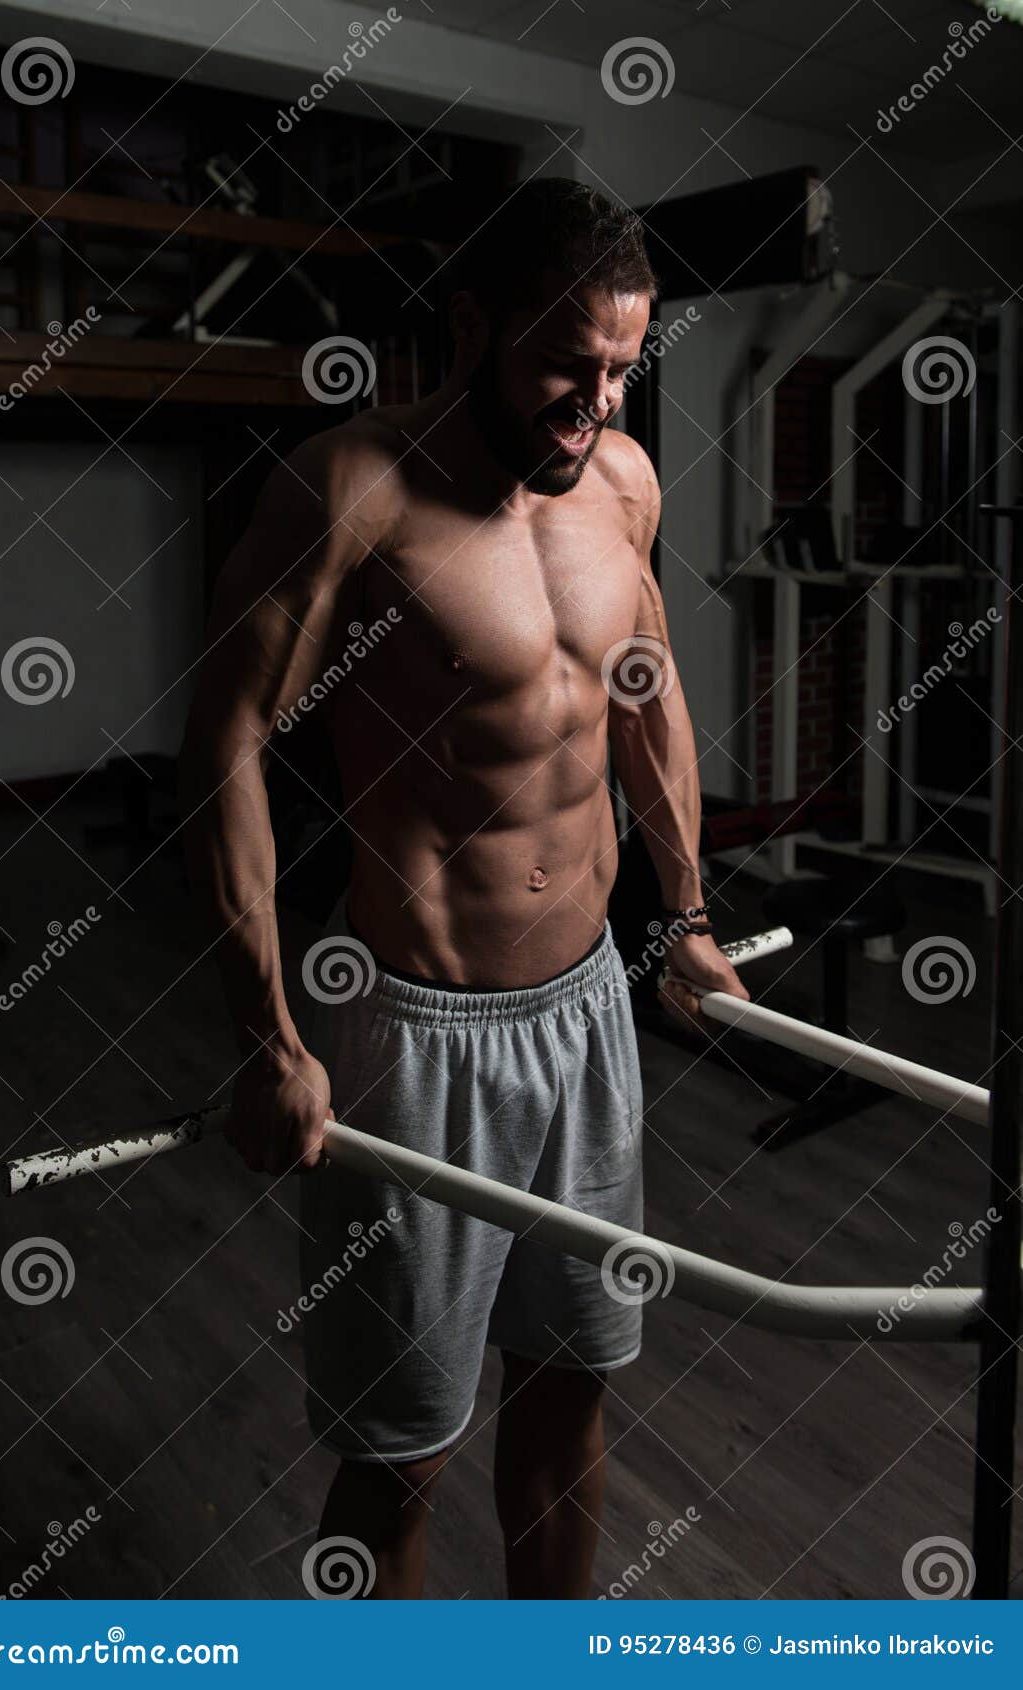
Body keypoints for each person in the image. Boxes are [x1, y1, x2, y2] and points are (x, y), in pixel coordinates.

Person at [179, 177, 749, 1600]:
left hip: (587, 1020)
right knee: (404, 1451)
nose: (598, 403)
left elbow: (646, 695)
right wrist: (268, 1033)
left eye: (623, 369)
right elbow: (225, 742)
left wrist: (681, 921)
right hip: (419, 1036)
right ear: (473, 325)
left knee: (572, 1387)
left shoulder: (620, 482)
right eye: (570, 363)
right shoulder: (354, 491)